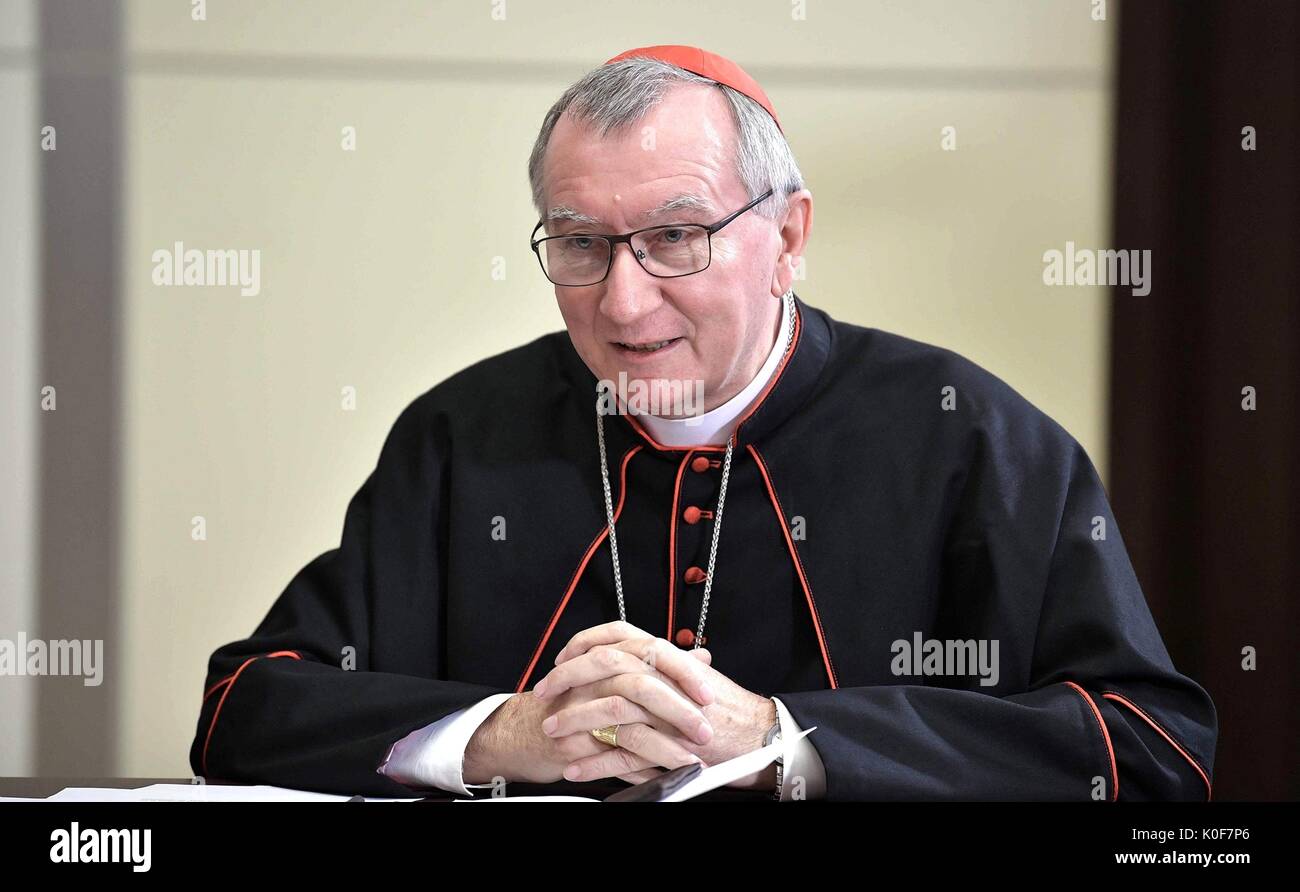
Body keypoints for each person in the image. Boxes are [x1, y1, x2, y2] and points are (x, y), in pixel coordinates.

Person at [189, 45, 1217, 801]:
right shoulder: (464, 434)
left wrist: (784, 739)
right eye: (581, 243)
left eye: (676, 236)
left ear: (787, 235)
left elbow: (1150, 745)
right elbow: (245, 705)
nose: (624, 303)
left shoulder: (972, 439)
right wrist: (499, 737)